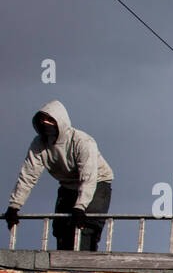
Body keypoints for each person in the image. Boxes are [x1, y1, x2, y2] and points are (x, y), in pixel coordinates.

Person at [5, 100, 114, 250]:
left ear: (60, 121)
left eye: (50, 120)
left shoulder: (82, 141)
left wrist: (80, 206)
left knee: (85, 226)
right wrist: (14, 206)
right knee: (62, 227)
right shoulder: (39, 144)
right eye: (41, 120)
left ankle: (84, 267)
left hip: (97, 183)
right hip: (67, 185)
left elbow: (88, 176)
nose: (45, 123)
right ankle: (63, 269)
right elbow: (28, 175)